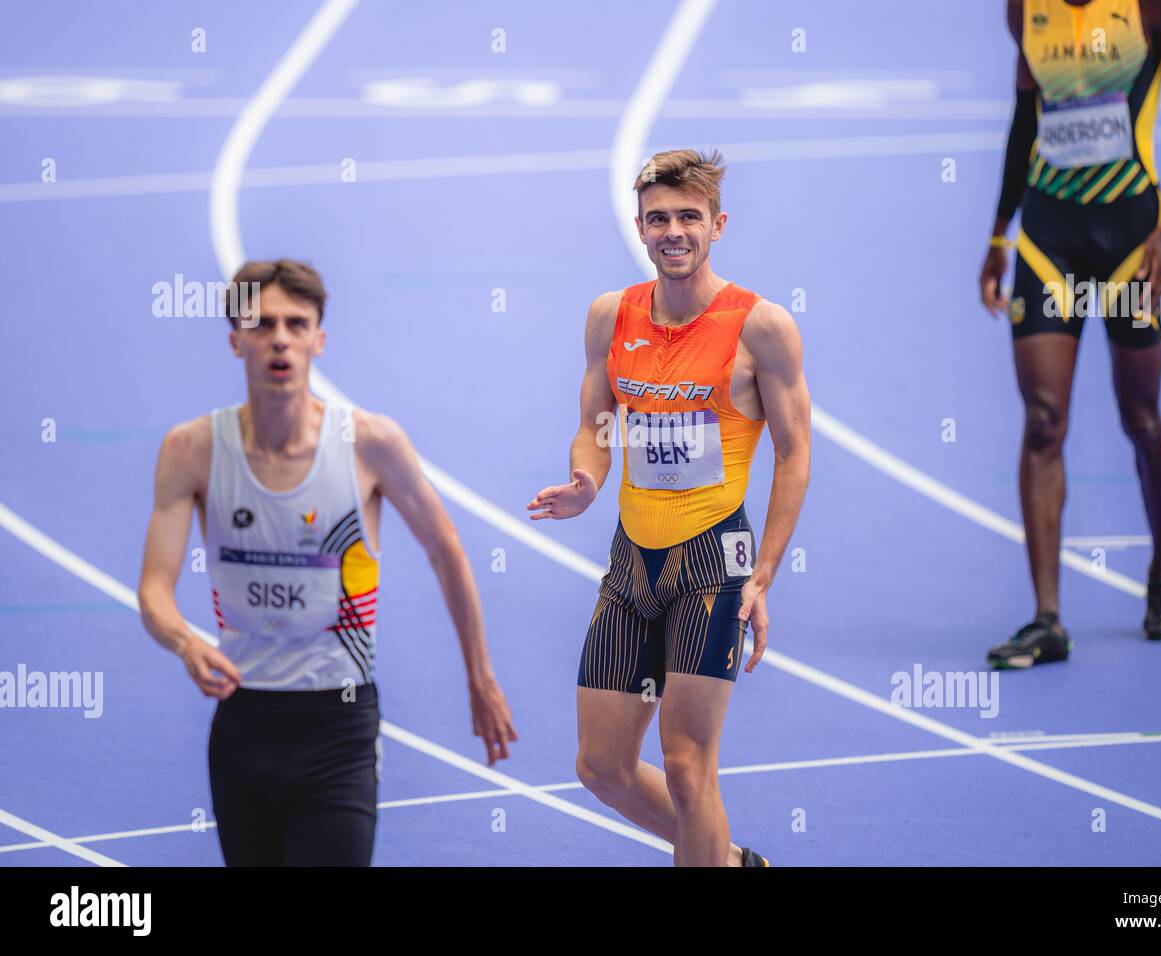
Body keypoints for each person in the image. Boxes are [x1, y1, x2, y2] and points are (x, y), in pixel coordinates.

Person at [138, 259, 516, 865]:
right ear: (236, 340)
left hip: (338, 725)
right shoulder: (192, 450)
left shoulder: (370, 444)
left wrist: (481, 678)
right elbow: (154, 589)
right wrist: (184, 642)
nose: (279, 337)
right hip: (242, 720)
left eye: (296, 323)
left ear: (319, 338)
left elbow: (446, 551)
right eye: (261, 324)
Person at [527, 150, 811, 866]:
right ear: (640, 228)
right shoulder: (609, 317)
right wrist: (585, 482)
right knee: (602, 767)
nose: (673, 231)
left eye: (689, 217)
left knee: (688, 767)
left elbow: (794, 453)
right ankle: (732, 861)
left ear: (718, 224)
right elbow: (595, 429)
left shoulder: (760, 326)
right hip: (632, 563)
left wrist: (766, 570)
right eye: (659, 219)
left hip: (715, 562)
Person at [980, 0, 1161, 668]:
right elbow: (1026, 119)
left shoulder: (1152, 6)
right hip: (1047, 241)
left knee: (1141, 416)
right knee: (1044, 421)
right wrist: (1000, 232)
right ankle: (1047, 618)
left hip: (1131, 247)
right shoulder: (1024, 8)